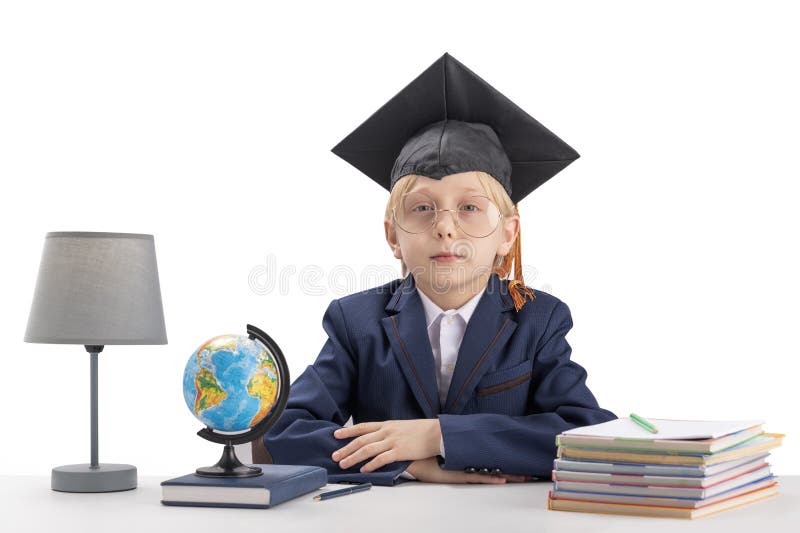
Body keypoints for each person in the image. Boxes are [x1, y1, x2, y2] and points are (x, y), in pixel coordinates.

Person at [256, 53, 617, 485]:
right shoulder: (357, 322)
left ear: (507, 234)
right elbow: (284, 432)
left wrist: (438, 436)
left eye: (469, 207)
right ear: (393, 236)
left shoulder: (538, 320)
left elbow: (586, 435)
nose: (445, 227)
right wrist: (407, 464)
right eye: (423, 208)